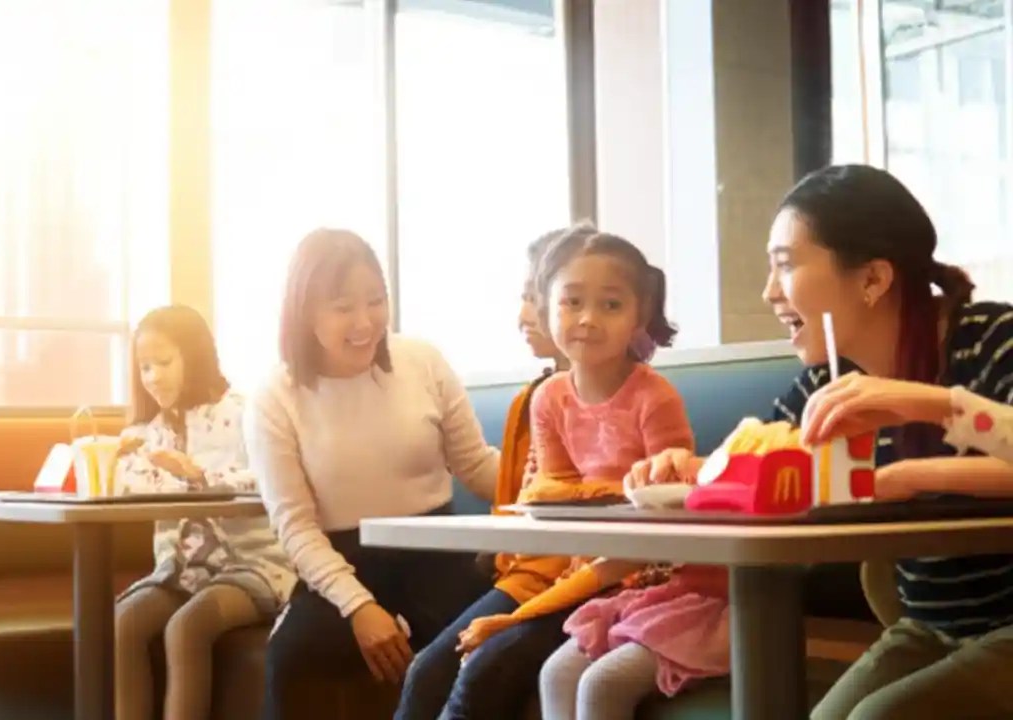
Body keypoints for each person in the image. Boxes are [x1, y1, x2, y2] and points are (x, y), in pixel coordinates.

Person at [636, 164, 1013, 720]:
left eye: (784, 265)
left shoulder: (993, 339)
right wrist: (688, 469)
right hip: (931, 624)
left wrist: (912, 444)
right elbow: (760, 469)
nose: (768, 291)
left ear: (872, 279)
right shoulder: (827, 383)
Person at [396, 223, 696, 719]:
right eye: (572, 302)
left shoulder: (653, 396)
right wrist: (602, 499)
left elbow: (670, 503)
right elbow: (553, 498)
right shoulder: (549, 398)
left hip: (634, 578)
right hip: (563, 567)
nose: (588, 319)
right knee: (428, 667)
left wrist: (585, 502)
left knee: (485, 669)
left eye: (611, 305)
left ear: (640, 314)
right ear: (546, 305)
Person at [249, 229, 499, 719]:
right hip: (342, 565)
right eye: (343, 307)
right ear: (305, 312)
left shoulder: (421, 360)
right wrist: (359, 607)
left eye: (375, 301)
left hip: (439, 556)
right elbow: (296, 527)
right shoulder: (274, 396)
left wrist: (550, 480)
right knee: (292, 657)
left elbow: (477, 466)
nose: (365, 322)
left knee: (481, 647)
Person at [113, 305, 296, 720]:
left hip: (256, 566)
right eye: (144, 367)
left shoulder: (244, 414)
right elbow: (130, 491)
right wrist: (114, 462)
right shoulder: (149, 432)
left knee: (187, 627)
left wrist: (198, 474)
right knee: (121, 623)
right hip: (180, 571)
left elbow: (269, 479)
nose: (153, 376)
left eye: (163, 362)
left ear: (194, 357)